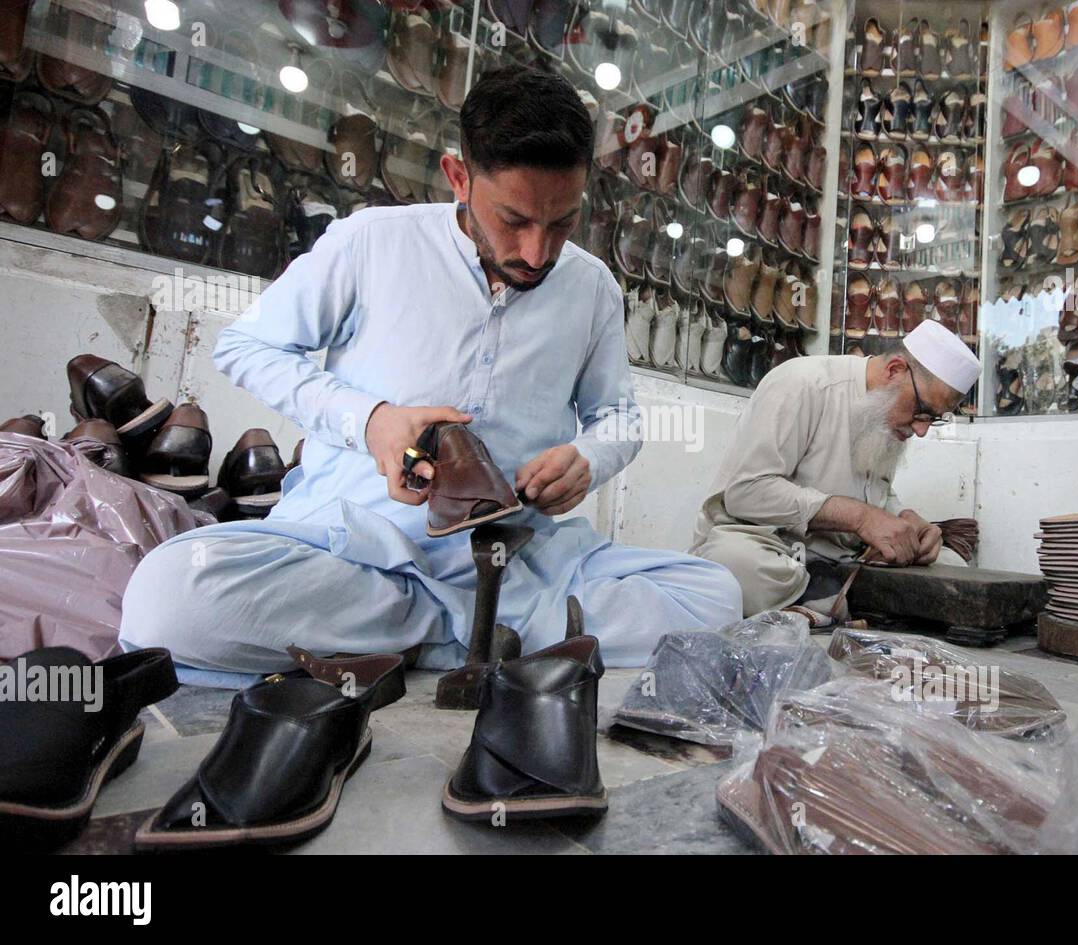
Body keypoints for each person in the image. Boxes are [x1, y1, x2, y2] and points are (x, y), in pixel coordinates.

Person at [118, 68, 742, 684]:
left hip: (516, 560)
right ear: (458, 177)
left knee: (713, 594)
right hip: (359, 550)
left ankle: (425, 633)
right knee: (169, 596)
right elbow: (247, 346)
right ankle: (476, 633)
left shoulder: (593, 288)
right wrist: (369, 421)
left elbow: (617, 418)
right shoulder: (371, 243)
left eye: (561, 223)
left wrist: (588, 458)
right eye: (515, 219)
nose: (536, 253)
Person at [690, 320, 981, 618]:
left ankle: (823, 602)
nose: (921, 430)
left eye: (934, 419)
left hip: (838, 561)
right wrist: (860, 517)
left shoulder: (886, 413)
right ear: (895, 370)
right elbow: (746, 492)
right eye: (923, 413)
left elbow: (873, 493)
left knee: (951, 566)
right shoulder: (802, 383)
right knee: (737, 563)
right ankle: (828, 599)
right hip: (770, 546)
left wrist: (904, 521)